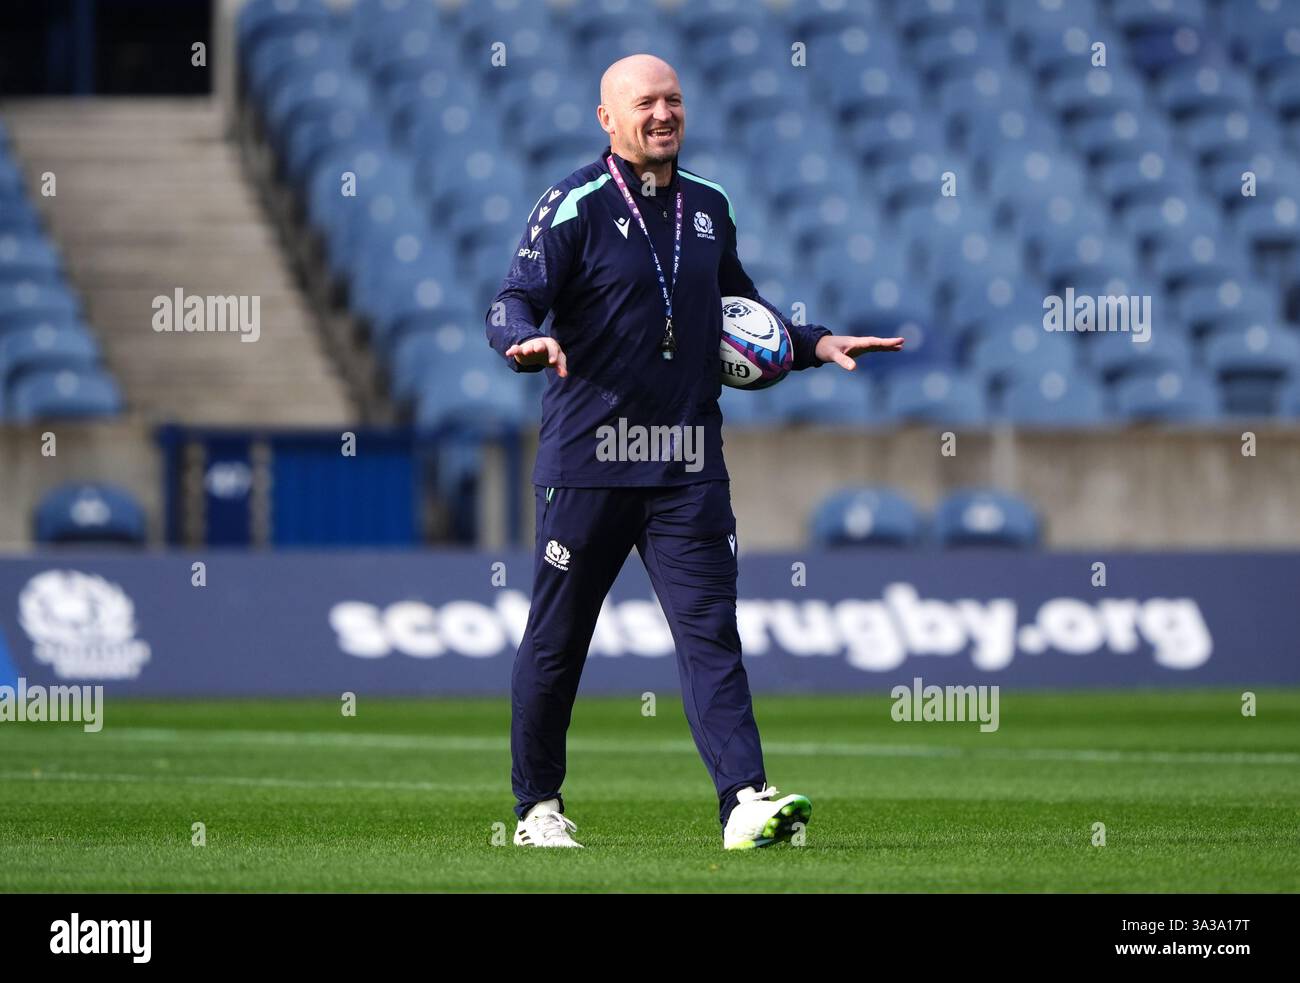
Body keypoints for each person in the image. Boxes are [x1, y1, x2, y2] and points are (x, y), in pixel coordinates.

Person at [486, 54, 903, 849]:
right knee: (557, 640)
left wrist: (812, 342)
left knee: (712, 635)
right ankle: (538, 809)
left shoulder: (709, 205)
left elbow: (742, 307)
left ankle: (744, 799)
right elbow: (512, 298)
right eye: (644, 103)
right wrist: (522, 339)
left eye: (673, 99)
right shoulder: (572, 204)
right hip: (590, 462)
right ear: (608, 119)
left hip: (686, 463)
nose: (663, 113)